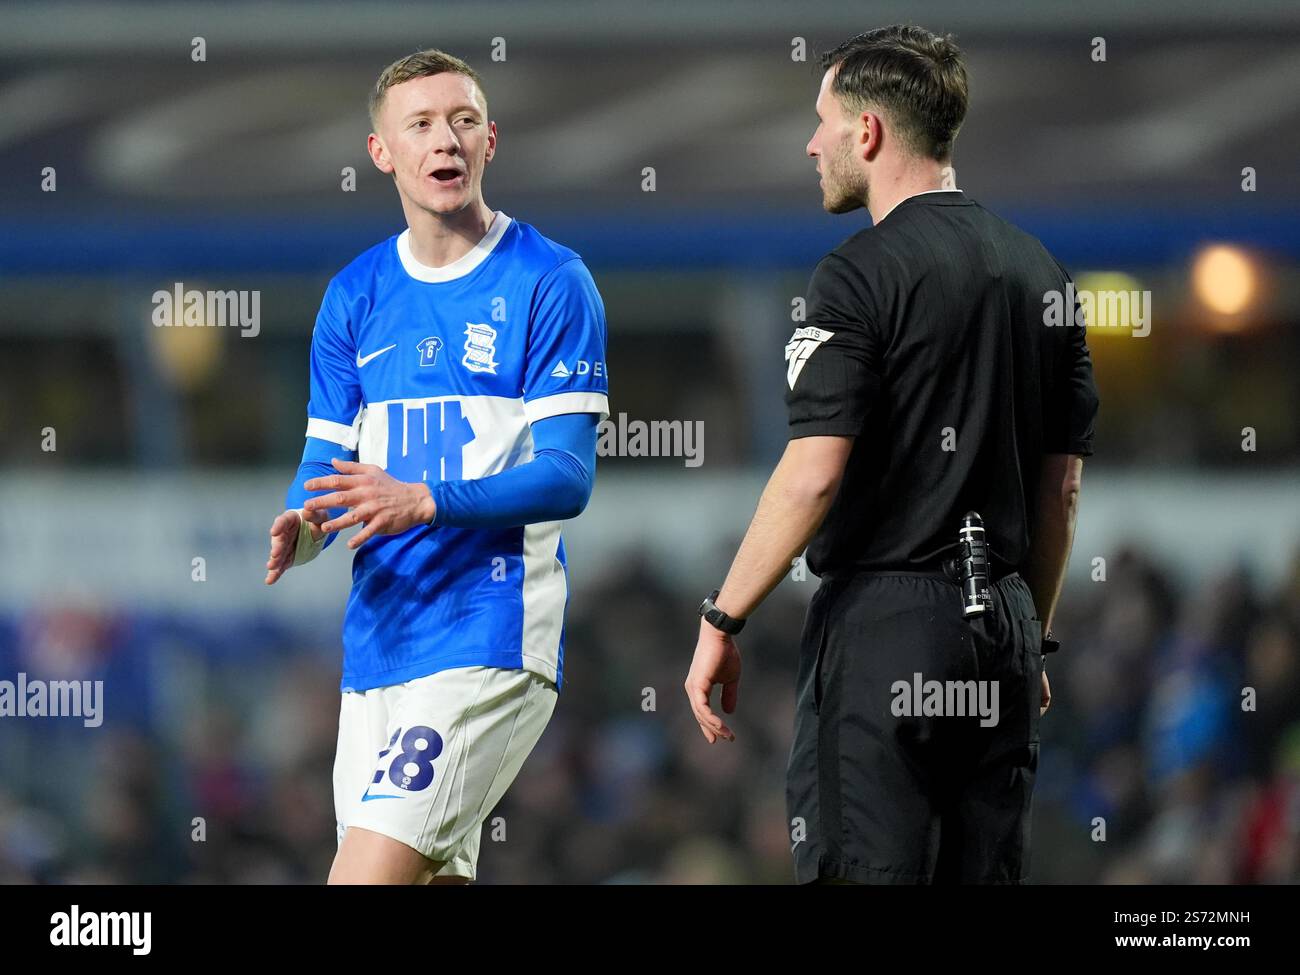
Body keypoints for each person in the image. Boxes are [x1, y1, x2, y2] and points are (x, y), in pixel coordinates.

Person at [685, 25, 1099, 884]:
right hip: (1009, 627)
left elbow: (814, 471)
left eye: (821, 120)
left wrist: (723, 617)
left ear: (866, 133)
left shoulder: (856, 275)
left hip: (888, 627)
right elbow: (1060, 490)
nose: (810, 142)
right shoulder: (1044, 274)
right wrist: (1034, 633)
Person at [264, 49, 609, 884]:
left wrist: (422, 499)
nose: (443, 139)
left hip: (486, 633)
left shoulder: (549, 281)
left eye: (460, 121)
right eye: (419, 124)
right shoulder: (355, 295)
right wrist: (304, 526)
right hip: (379, 646)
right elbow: (324, 470)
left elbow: (568, 476)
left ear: (489, 140)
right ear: (382, 152)